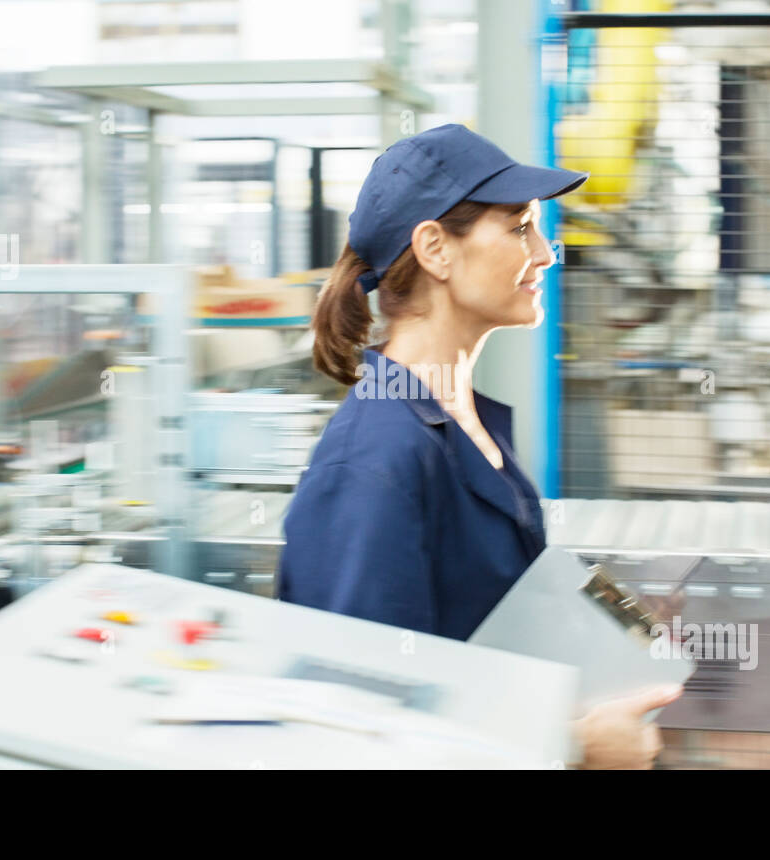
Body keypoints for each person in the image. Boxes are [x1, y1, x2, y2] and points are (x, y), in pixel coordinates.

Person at [277, 123, 682, 768]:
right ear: (436, 249)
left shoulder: (469, 420)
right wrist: (573, 747)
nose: (546, 253)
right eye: (520, 226)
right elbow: (357, 734)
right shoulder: (373, 462)